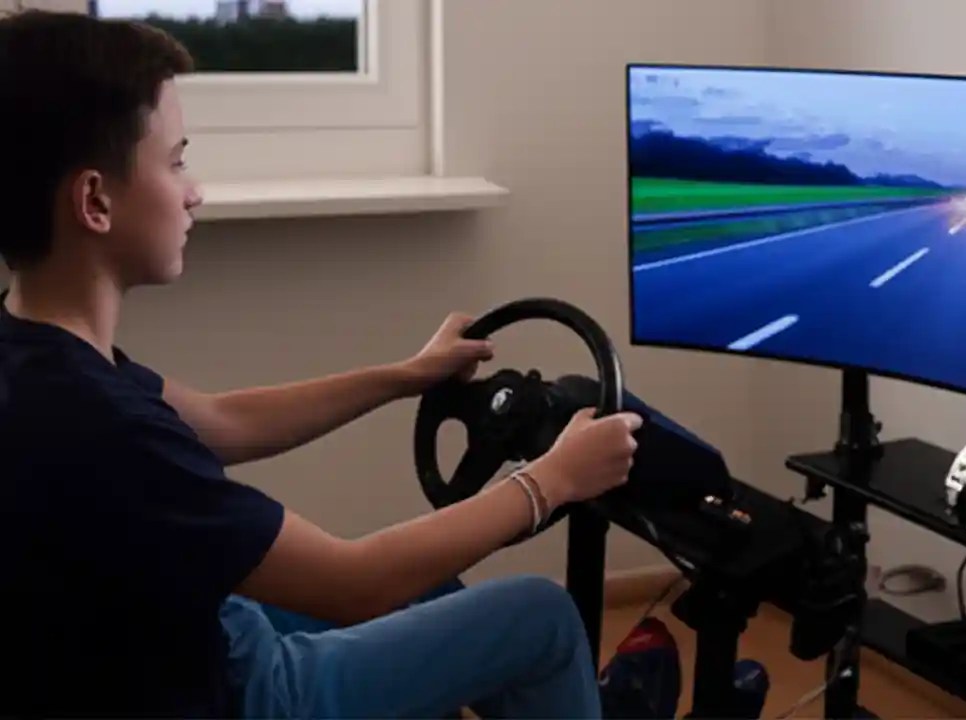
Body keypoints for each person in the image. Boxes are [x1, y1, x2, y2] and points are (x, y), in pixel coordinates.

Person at [0, 9, 642, 718]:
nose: (194, 190)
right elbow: (353, 583)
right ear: (94, 201)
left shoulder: (37, 353)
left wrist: (405, 376)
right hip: (236, 692)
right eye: (177, 161)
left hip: (180, 640)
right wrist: (553, 480)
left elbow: (222, 420)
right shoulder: (105, 429)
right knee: (540, 618)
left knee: (432, 589)